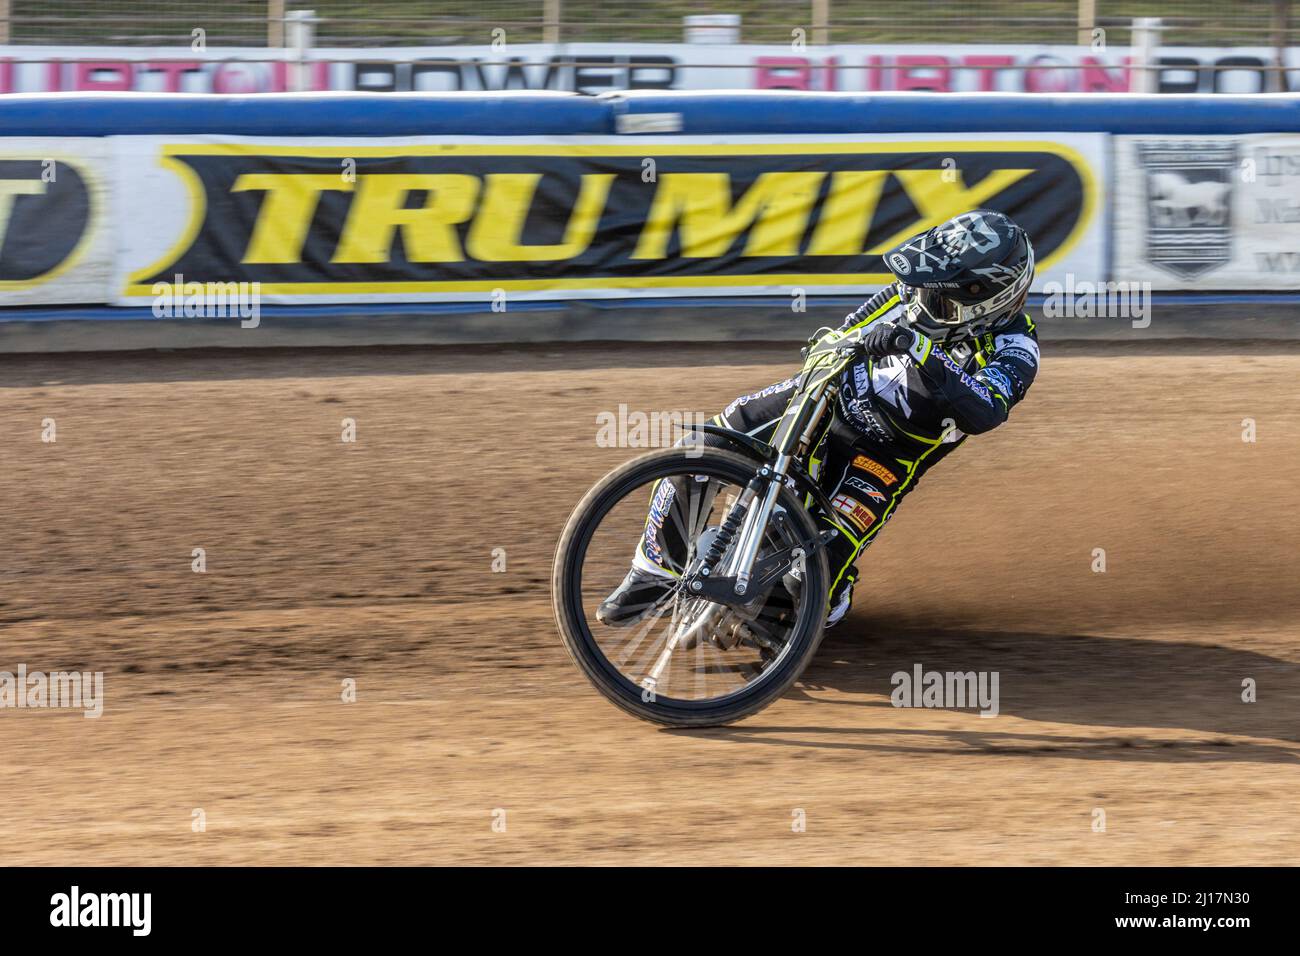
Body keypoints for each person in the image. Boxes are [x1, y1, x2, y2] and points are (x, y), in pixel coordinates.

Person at [599, 209, 1041, 629]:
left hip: (883, 461)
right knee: (709, 445)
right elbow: (843, 332)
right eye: (923, 290)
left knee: (809, 578)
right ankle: (654, 571)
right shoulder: (913, 293)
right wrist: (829, 353)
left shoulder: (1017, 348)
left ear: (986, 302)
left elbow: (987, 410)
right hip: (827, 402)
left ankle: (817, 606)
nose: (922, 304)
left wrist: (922, 351)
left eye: (941, 300)